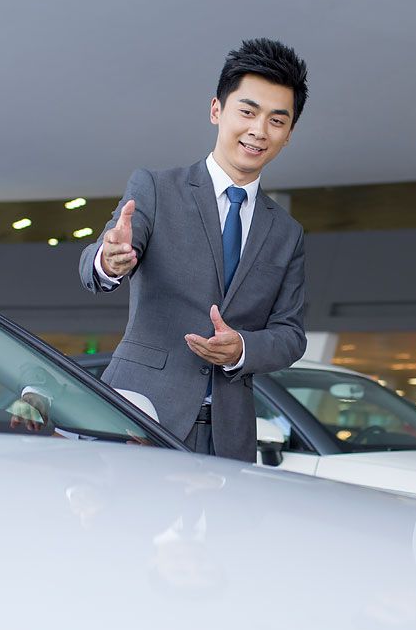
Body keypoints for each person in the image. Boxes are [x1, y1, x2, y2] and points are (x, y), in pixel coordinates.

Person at [79, 39, 308, 461]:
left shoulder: (287, 232)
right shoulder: (156, 188)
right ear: (217, 110)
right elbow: (103, 259)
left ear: (289, 133)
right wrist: (109, 259)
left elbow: (291, 335)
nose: (259, 130)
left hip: (229, 436)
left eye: (277, 120)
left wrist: (242, 348)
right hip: (141, 418)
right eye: (248, 111)